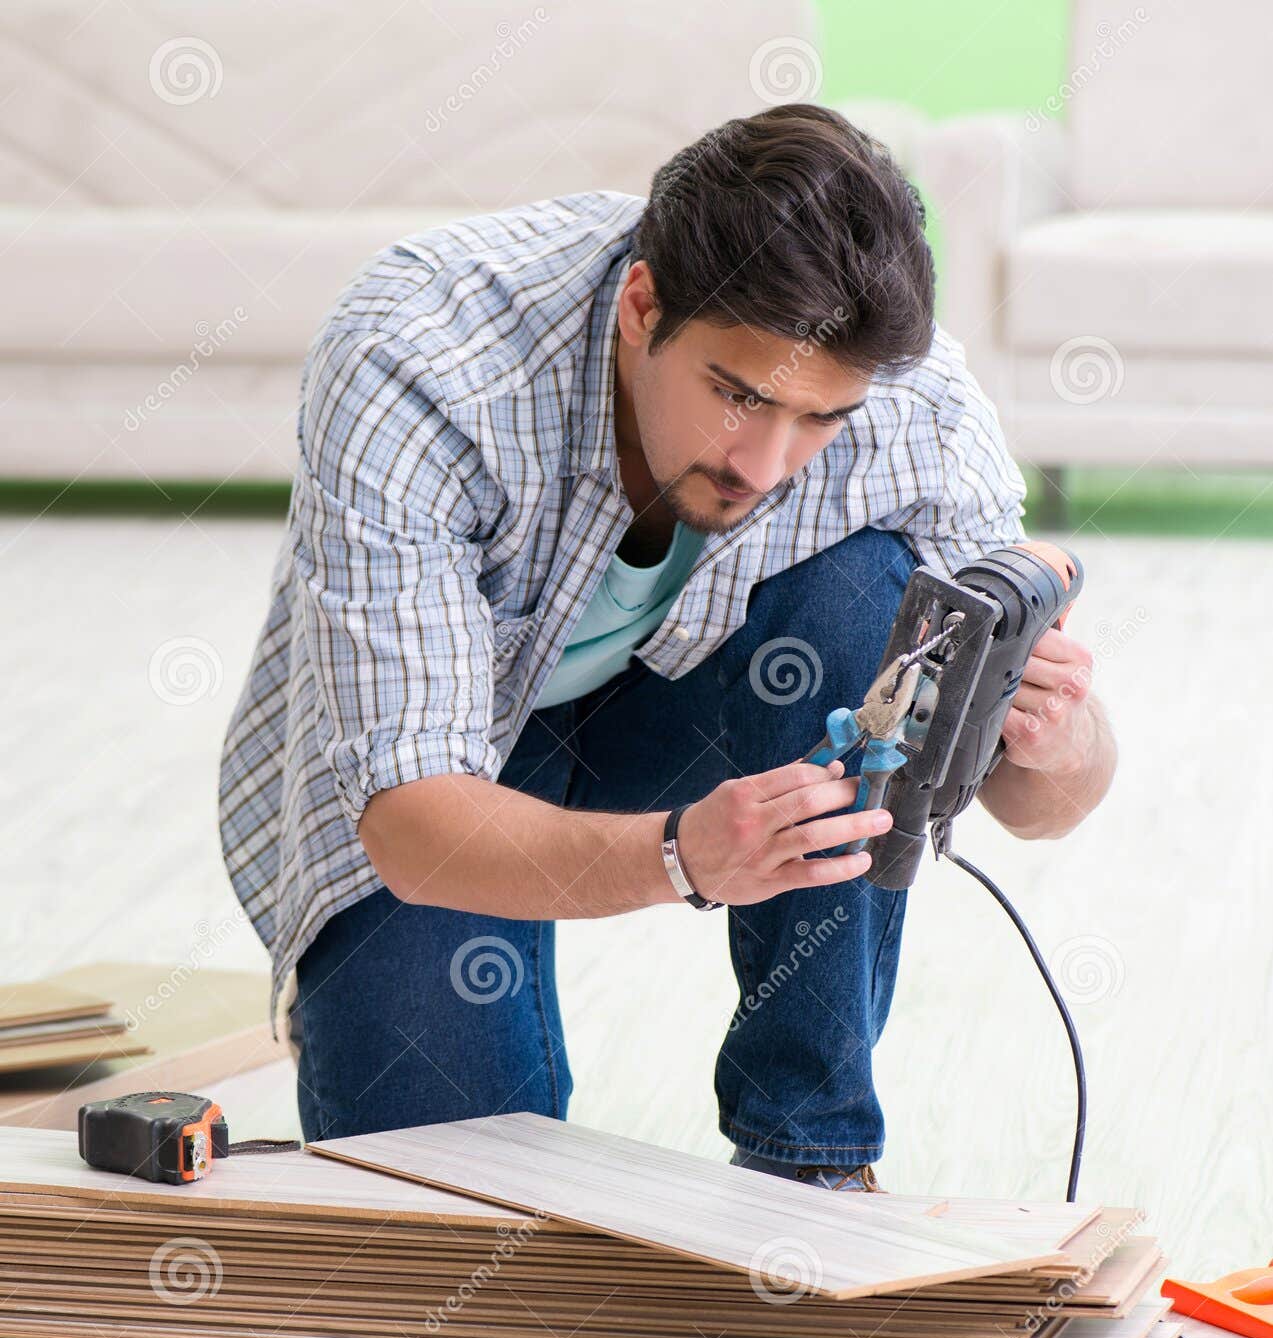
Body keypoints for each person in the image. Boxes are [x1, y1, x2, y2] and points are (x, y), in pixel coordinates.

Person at [219, 103, 1114, 1190]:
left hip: (686, 705)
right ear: (642, 306)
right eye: (736, 396)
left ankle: (809, 1159)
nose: (767, 462)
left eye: (818, 419)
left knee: (874, 604)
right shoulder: (420, 354)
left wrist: (1056, 746)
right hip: (431, 776)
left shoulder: (915, 405)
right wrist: (681, 859)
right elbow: (411, 818)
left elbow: (1038, 807)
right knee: (444, 1200)